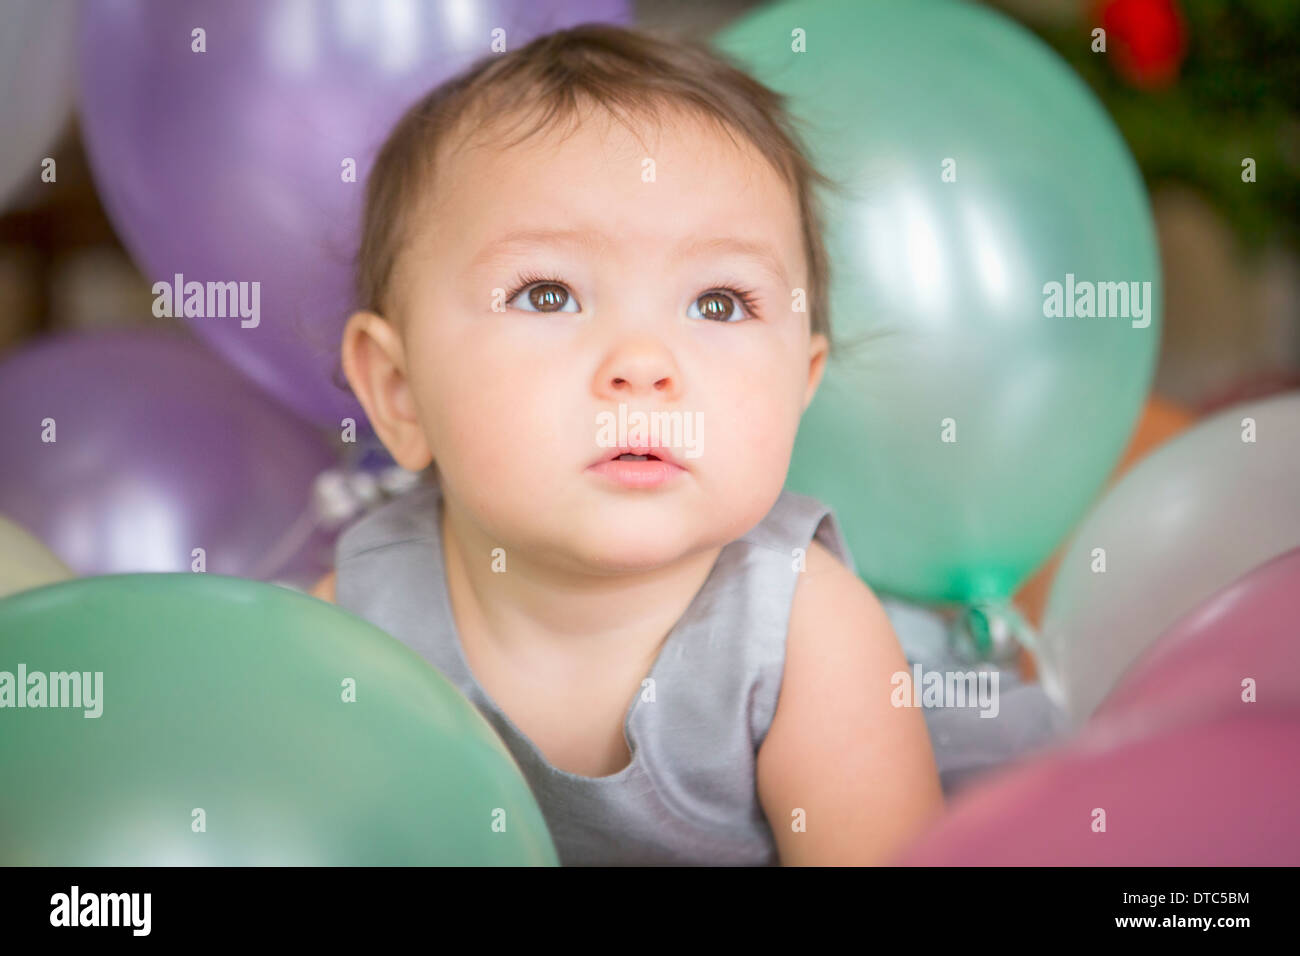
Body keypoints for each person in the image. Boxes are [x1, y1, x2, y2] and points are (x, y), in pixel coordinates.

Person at [311, 23, 942, 865]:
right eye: (546, 294)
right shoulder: (357, 626)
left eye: (719, 303)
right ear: (398, 391)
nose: (643, 365)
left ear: (802, 383)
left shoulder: (804, 633)